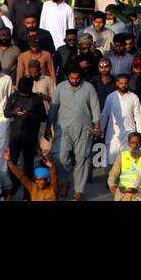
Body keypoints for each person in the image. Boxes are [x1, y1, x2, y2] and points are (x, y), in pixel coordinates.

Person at [45, 64, 100, 199]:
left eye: (77, 78)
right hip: (63, 129)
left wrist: (97, 127)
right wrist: (48, 127)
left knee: (82, 158)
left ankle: (78, 190)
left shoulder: (88, 88)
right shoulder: (60, 88)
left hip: (84, 129)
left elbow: (95, 109)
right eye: (72, 78)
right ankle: (65, 181)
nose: (75, 81)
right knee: (61, 157)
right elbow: (53, 108)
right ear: (67, 76)